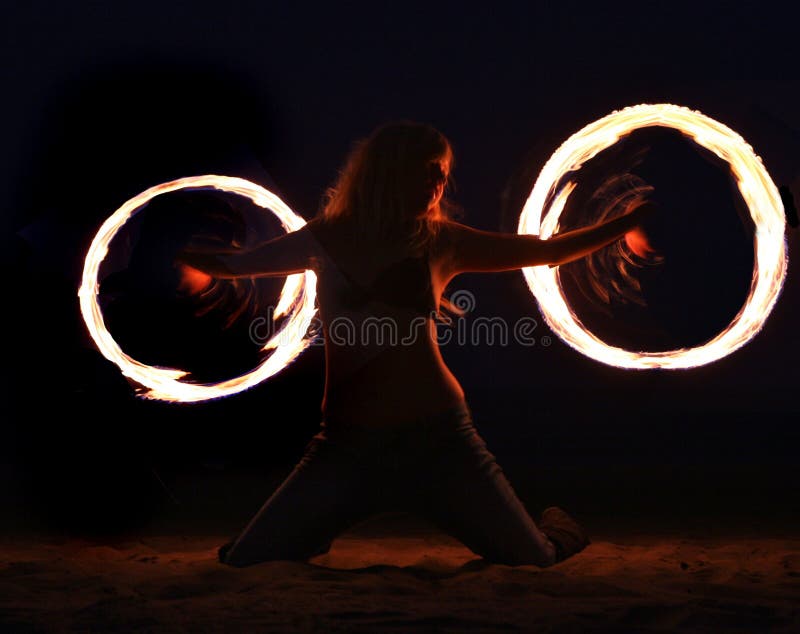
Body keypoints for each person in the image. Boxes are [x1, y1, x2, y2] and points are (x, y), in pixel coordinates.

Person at [177, 121, 657, 568]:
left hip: (440, 442)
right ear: (389, 172)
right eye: (428, 172)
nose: (438, 185)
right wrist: (178, 259)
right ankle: (315, 523)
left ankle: (558, 527)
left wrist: (624, 223)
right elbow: (237, 265)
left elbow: (546, 251)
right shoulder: (323, 238)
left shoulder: (441, 241)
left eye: (443, 175)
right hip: (345, 446)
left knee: (534, 559)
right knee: (245, 559)